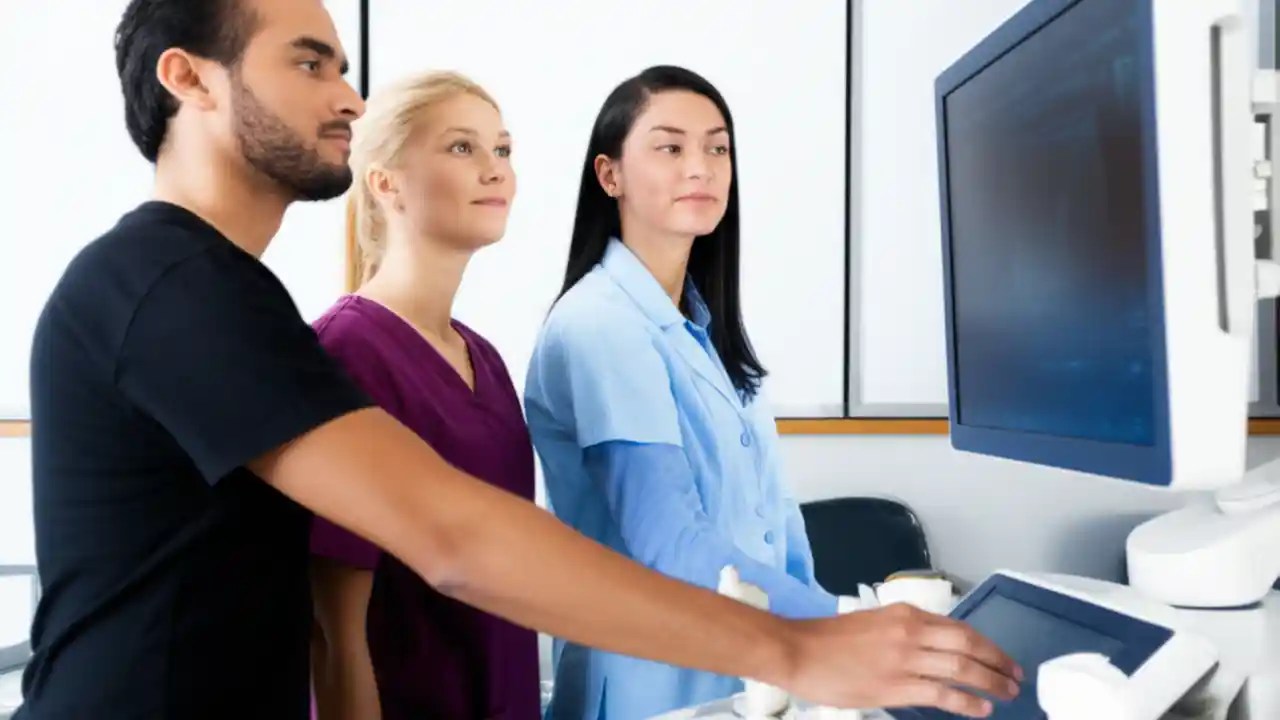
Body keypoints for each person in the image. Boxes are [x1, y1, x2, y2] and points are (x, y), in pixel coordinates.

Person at [17, 1, 1021, 717]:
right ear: (187, 76)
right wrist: (799, 645)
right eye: (310, 64)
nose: (349, 96)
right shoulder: (169, 288)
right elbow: (450, 542)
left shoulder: (228, 296)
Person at [521, 65, 844, 718]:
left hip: (748, 672)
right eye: (670, 147)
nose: (701, 167)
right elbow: (670, 542)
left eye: (717, 147)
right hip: (651, 685)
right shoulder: (601, 323)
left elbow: (776, 527)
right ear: (609, 176)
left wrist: (826, 633)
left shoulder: (707, 330)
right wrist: (844, 622)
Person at [307, 71, 538, 720]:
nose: (496, 170)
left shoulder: (484, 359)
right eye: (463, 148)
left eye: (503, 149)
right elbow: (333, 630)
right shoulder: (348, 354)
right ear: (384, 183)